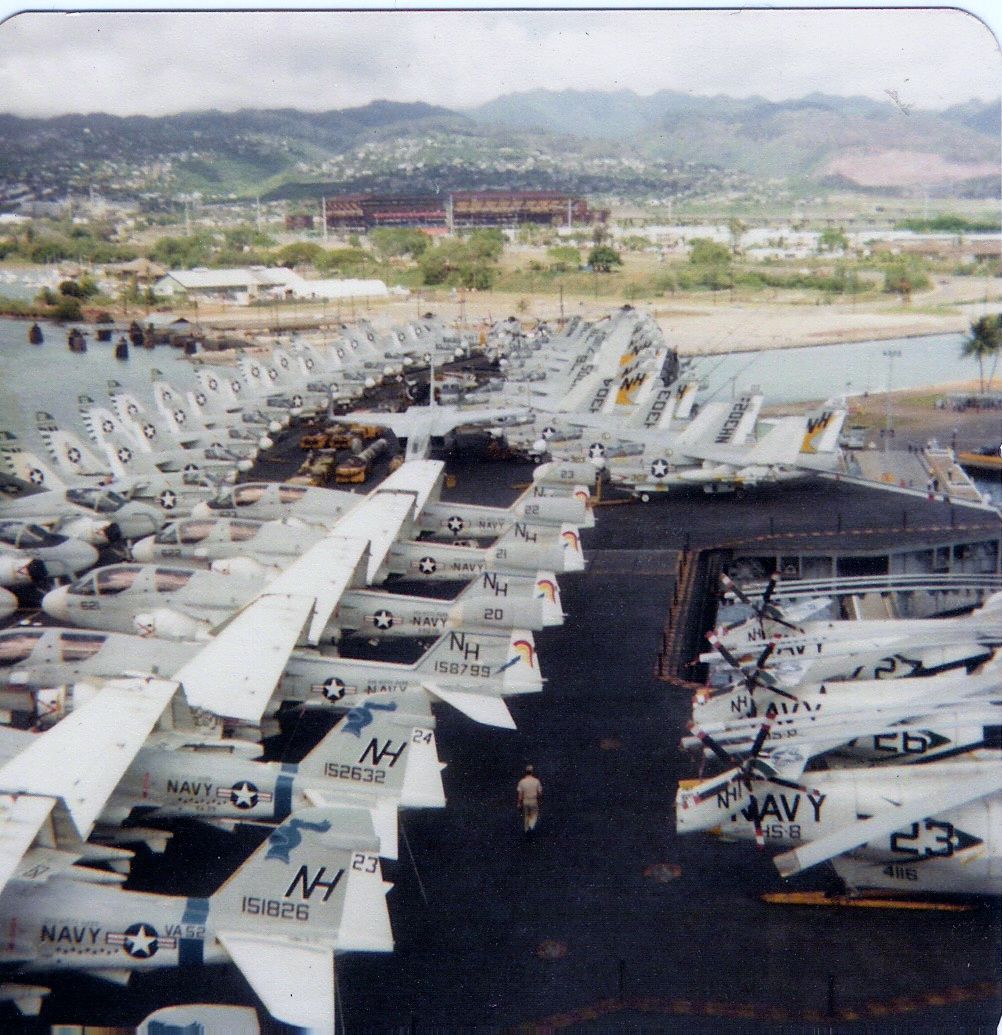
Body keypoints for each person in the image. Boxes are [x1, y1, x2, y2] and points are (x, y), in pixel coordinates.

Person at [516, 765, 543, 834]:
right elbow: (539, 793)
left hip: (525, 801)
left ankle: (526, 830)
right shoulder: (536, 781)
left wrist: (519, 803)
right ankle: (531, 825)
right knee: (534, 814)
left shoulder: (522, 782)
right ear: (532, 772)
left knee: (526, 815)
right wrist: (540, 800)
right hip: (533, 800)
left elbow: (520, 794)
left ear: (525, 772)